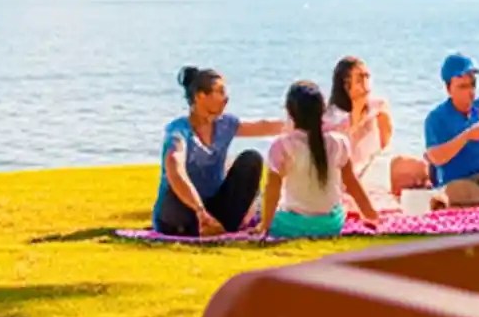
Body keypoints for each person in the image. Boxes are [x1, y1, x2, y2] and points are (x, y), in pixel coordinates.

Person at [152, 66, 287, 237]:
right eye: (220, 92)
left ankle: (217, 224)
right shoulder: (179, 131)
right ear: (200, 96)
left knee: (251, 159)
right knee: (174, 196)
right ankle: (200, 223)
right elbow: (175, 168)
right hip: (181, 212)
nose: (226, 98)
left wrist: (307, 123)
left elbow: (263, 126)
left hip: (214, 208)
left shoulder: (225, 125)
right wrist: (199, 210)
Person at [257, 81, 378, 239]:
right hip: (330, 225)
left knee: (261, 207)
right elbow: (352, 183)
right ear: (323, 110)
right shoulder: (338, 142)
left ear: (290, 112)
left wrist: (265, 226)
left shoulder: (281, 145)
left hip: (293, 225)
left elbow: (272, 190)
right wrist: (371, 215)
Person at [323, 56, 428, 202]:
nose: (365, 83)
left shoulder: (378, 108)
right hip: (342, 181)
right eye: (359, 78)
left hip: (371, 171)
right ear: (345, 84)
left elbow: (384, 142)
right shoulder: (332, 119)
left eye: (367, 77)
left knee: (420, 169)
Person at [423, 53, 479, 204]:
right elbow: (435, 157)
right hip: (462, 181)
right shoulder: (436, 118)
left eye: (472, 85)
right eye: (463, 87)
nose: (470, 92)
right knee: (455, 191)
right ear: (448, 89)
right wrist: (467, 136)